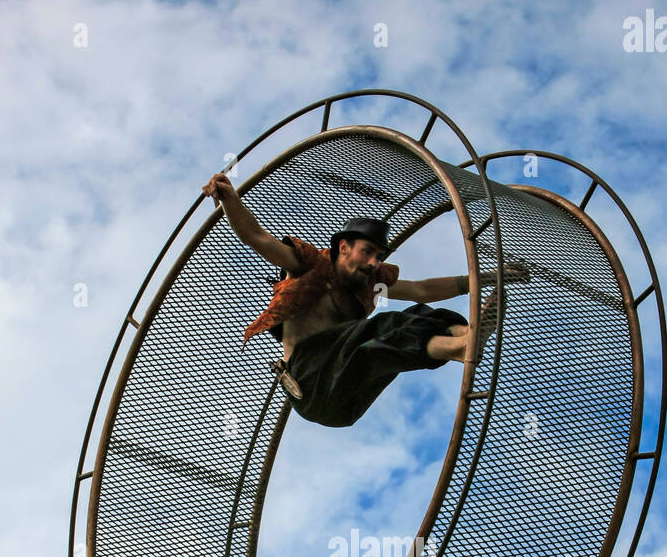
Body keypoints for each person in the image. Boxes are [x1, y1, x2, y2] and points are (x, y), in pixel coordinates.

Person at [201, 171, 528, 428]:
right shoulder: (306, 265)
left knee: (417, 319)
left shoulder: (369, 285)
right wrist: (230, 199)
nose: (373, 263)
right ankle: (461, 348)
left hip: (346, 403)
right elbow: (257, 237)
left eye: (378, 256)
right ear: (343, 247)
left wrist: (486, 278)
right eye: (367, 253)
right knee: (387, 326)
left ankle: (466, 337)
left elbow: (422, 289)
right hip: (308, 381)